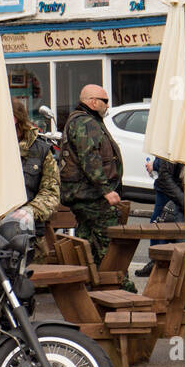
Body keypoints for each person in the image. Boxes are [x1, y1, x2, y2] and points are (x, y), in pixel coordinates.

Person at [59, 84, 135, 290]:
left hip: (83, 195)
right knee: (110, 241)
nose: (107, 105)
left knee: (87, 240)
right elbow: (90, 159)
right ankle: (120, 287)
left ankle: (89, 284)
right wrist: (106, 190)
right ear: (93, 102)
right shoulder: (85, 122)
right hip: (90, 195)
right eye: (105, 101)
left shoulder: (83, 120)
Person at [14, 99, 60, 262]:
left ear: (16, 119)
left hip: (30, 235)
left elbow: (51, 192)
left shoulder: (40, 150)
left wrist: (29, 211)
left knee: (34, 284)